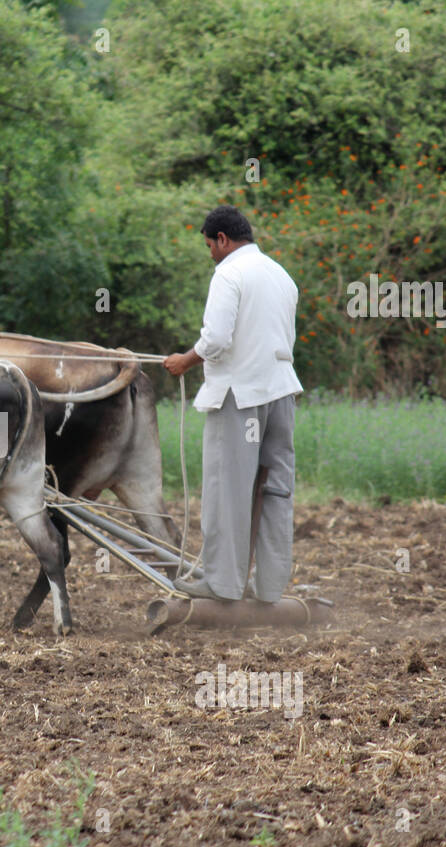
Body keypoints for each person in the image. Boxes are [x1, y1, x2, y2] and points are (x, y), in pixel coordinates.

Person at [162, 205, 302, 603]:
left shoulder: (229, 273)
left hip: (240, 398)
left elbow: (218, 339)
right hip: (281, 394)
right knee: (276, 491)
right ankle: (270, 588)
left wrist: (185, 361)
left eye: (210, 245)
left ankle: (222, 584)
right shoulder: (281, 275)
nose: (210, 253)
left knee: (228, 491)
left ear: (223, 239)